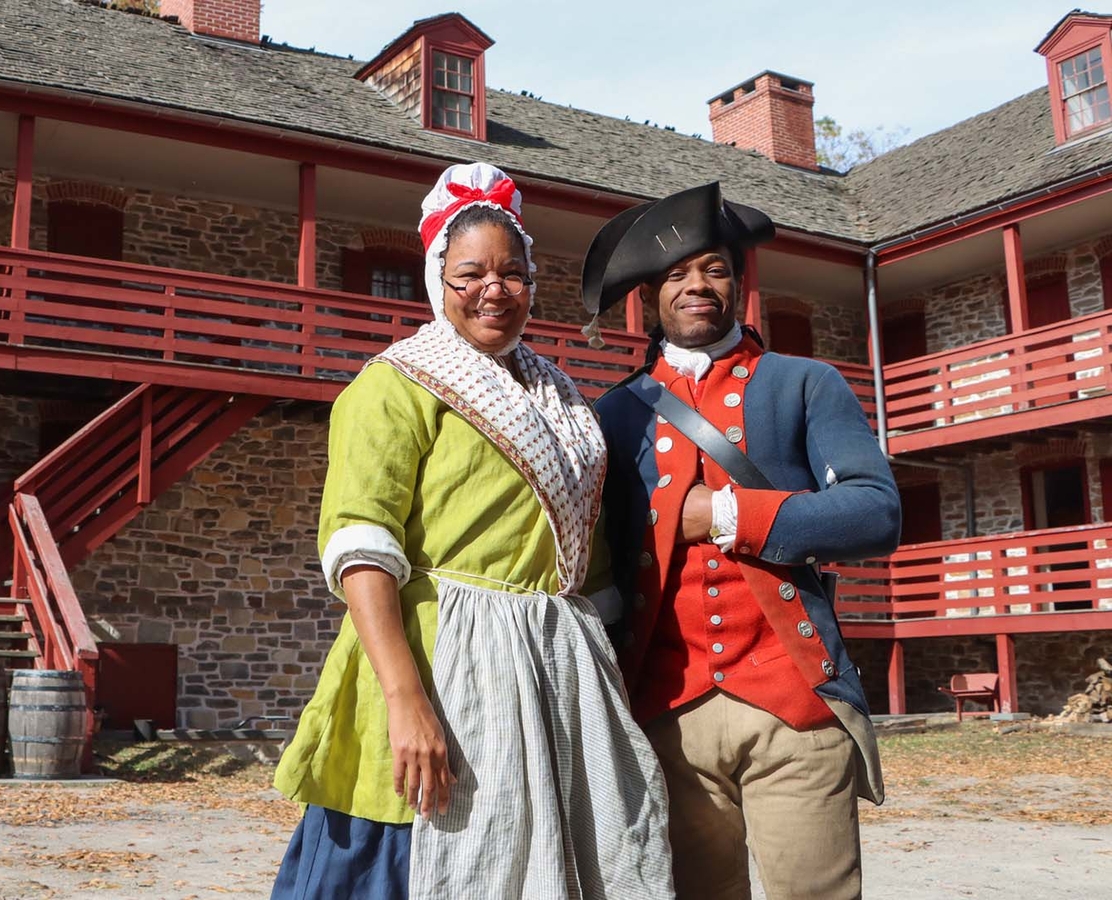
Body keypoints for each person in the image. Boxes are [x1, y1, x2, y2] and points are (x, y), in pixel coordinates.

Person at [271, 162, 674, 899]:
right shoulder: (395, 384)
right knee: (415, 845)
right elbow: (360, 550)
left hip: (555, 666)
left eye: (513, 273)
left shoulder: (560, 396)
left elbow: (592, 558)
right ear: (437, 279)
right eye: (470, 274)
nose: (494, 289)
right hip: (437, 659)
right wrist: (405, 700)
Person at [583, 182, 900, 900]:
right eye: (676, 274)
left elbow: (875, 512)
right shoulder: (613, 413)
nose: (698, 285)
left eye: (715, 268)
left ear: (739, 283)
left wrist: (725, 515)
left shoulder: (805, 383)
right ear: (650, 296)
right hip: (668, 713)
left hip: (795, 703)